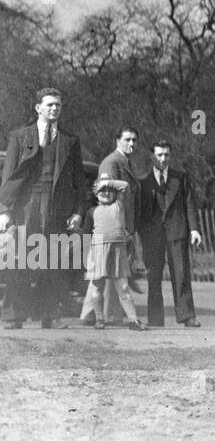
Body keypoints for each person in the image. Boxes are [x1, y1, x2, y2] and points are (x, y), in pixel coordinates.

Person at [0, 88, 87, 329]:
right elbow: (8, 178)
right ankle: (16, 316)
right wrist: (4, 211)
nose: (54, 109)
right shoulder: (19, 137)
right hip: (25, 207)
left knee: (54, 262)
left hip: (57, 208)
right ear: (38, 108)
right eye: (49, 104)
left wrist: (78, 212)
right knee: (19, 260)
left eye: (58, 105)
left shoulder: (70, 141)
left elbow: (79, 181)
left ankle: (50, 316)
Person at [80, 127, 143, 326]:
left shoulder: (124, 161)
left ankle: (96, 314)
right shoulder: (111, 162)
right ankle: (100, 315)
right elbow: (106, 189)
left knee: (108, 275)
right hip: (113, 226)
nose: (131, 144)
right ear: (117, 140)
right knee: (106, 275)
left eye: (134, 140)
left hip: (121, 227)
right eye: (127, 140)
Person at [138, 139, 203, 327]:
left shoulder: (180, 177)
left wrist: (194, 229)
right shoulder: (143, 180)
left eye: (166, 154)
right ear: (152, 156)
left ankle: (187, 316)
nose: (163, 158)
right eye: (159, 155)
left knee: (181, 274)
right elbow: (140, 211)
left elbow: (189, 204)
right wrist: (140, 233)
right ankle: (155, 319)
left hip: (177, 231)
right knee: (154, 277)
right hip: (153, 235)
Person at [83, 176, 145, 331]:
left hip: (117, 252)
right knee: (97, 287)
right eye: (101, 190)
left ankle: (133, 320)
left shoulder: (119, 205)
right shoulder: (92, 212)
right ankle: (99, 319)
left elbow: (125, 186)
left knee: (123, 287)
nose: (106, 192)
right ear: (95, 193)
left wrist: (107, 182)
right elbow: (85, 234)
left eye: (109, 190)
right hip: (98, 252)